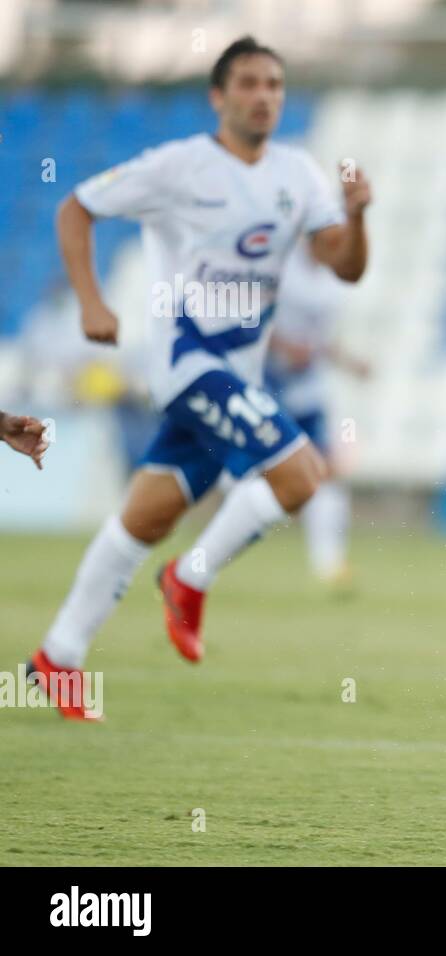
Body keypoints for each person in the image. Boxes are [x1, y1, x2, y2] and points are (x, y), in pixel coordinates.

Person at [31, 36, 371, 721]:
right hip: (187, 364)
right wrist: (93, 301)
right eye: (248, 83)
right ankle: (189, 578)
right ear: (219, 97)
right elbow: (76, 208)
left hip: (239, 373)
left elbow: (345, 265)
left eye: (274, 83)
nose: (264, 95)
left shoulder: (300, 175)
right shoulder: (179, 166)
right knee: (303, 475)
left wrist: (358, 213)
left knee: (145, 516)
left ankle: (56, 658)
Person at [263, 238, 368, 589]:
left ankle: (329, 563)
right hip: (264, 383)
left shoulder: (332, 284)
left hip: (307, 390)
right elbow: (251, 317)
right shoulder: (279, 268)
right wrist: (283, 347)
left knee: (325, 471)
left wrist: (351, 363)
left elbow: (322, 341)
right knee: (254, 476)